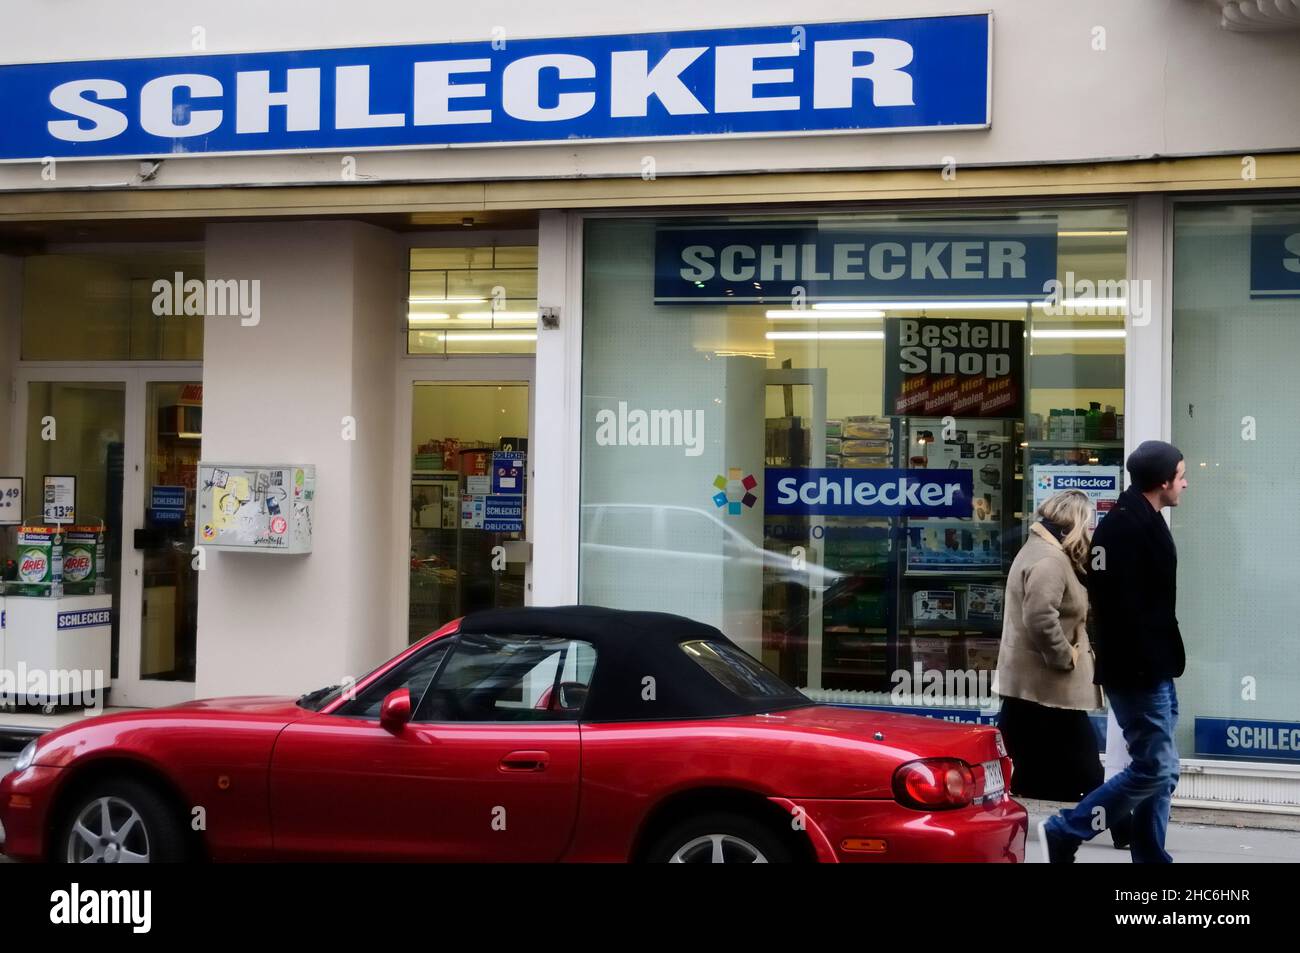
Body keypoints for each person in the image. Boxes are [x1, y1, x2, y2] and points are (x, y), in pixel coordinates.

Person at [1039, 440, 1188, 863]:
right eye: (1181, 475)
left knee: (1163, 770)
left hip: (1152, 666)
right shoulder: (1125, 526)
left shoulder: (1141, 518)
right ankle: (1065, 829)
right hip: (1138, 669)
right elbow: (1117, 608)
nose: (1185, 483)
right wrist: (1139, 666)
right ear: (1163, 480)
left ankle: (1148, 853)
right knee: (1154, 767)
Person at [995, 490, 1103, 800]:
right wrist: (1064, 657)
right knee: (1086, 766)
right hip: (1049, 684)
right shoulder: (1050, 559)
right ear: (1074, 523)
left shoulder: (1040, 550)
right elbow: (1041, 617)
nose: (1090, 530)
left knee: (1026, 760)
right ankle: (1118, 826)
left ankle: (1051, 827)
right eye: (1087, 523)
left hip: (1031, 684)